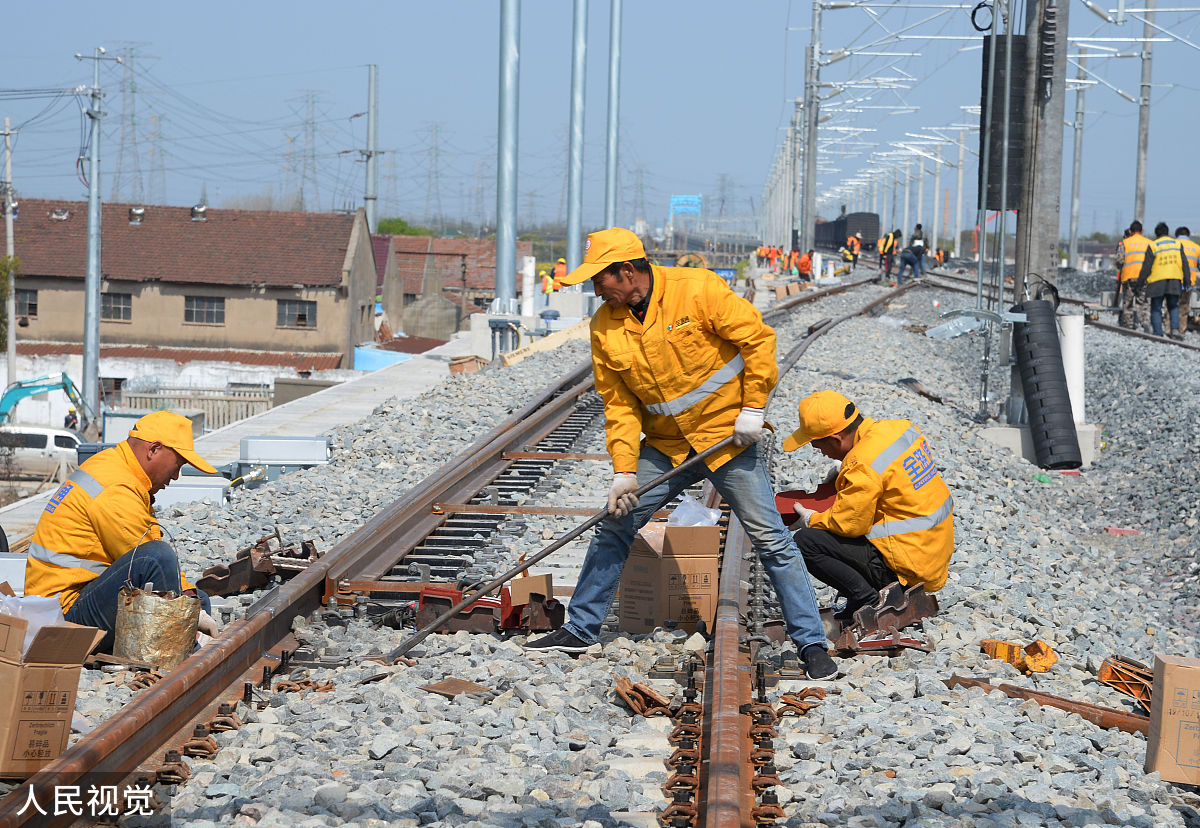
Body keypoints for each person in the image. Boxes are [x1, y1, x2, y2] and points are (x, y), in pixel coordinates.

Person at [525, 227, 838, 680]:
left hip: (726, 438)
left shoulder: (697, 289)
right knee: (615, 523)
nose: (595, 290)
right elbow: (619, 404)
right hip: (667, 446)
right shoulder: (605, 326)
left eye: (599, 279)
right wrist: (624, 472)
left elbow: (758, 340)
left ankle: (811, 644)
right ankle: (581, 628)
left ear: (627, 271)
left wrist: (753, 409)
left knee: (771, 539)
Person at [24, 410, 220, 653]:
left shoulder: (116, 467)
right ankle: (172, 652)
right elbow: (150, 559)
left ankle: (181, 642)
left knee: (198, 599)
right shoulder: (116, 488)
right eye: (177, 465)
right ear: (154, 449)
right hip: (60, 620)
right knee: (158, 559)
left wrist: (191, 599)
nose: (175, 476)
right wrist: (187, 606)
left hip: (66, 606)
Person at [782, 391, 954, 621]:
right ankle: (866, 596)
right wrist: (846, 474)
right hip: (931, 554)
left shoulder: (862, 464)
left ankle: (872, 602)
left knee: (807, 541)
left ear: (836, 439)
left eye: (818, 446)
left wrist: (810, 519)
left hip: (908, 569)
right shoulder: (899, 429)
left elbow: (849, 525)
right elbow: (890, 478)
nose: (821, 452)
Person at [1135, 222, 1190, 340]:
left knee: (1156, 307)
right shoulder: (1177, 244)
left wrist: (1139, 283)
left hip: (1157, 281)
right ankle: (1175, 330)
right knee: (1173, 306)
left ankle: (1158, 334)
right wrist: (1187, 280)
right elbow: (1185, 263)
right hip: (1174, 279)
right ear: (1168, 233)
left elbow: (1146, 267)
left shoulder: (1153, 245)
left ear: (1156, 234)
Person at [1118, 221, 1152, 331]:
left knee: (1128, 303)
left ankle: (1128, 325)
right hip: (1145, 277)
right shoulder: (1149, 243)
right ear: (1142, 231)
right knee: (1144, 302)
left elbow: (1119, 261)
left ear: (1130, 231)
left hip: (1129, 277)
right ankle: (1145, 322)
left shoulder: (1125, 243)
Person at [1175, 226, 1198, 334]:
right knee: (1184, 307)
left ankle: (1170, 328)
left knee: (1171, 306)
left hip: (1173, 282)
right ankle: (1181, 330)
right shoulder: (1196, 247)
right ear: (1188, 235)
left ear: (1176, 235)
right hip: (1188, 283)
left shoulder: (1173, 245)